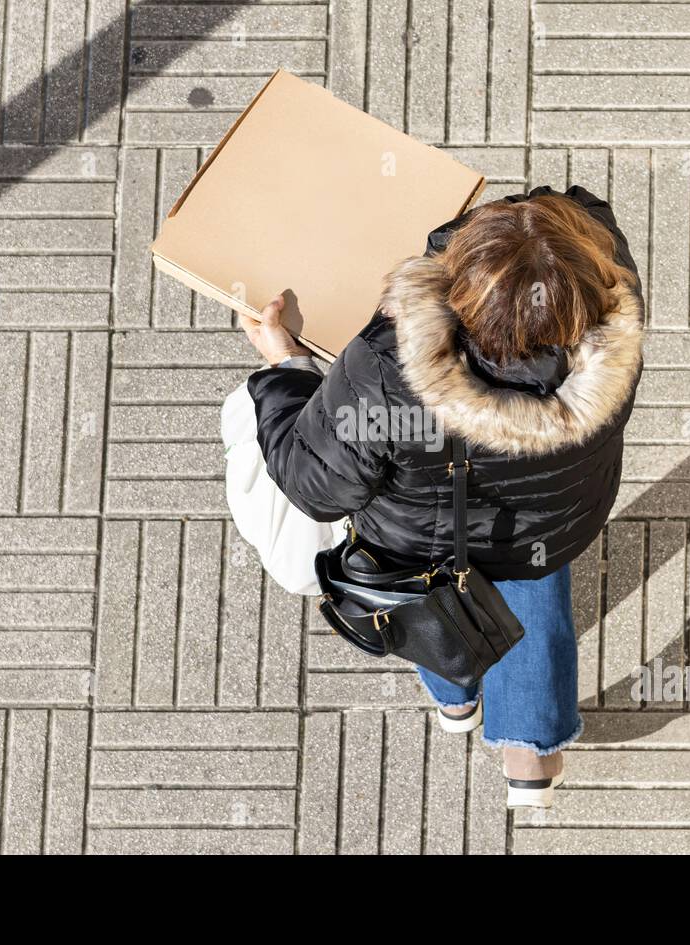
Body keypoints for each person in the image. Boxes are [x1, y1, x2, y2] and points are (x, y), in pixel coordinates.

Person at [242, 186, 644, 807]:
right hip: (548, 526)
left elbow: (314, 485)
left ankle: (456, 698)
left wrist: (285, 368)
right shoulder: (613, 307)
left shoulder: (389, 369)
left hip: (421, 543)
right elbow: (571, 219)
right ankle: (532, 758)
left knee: (430, 605)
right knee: (534, 607)